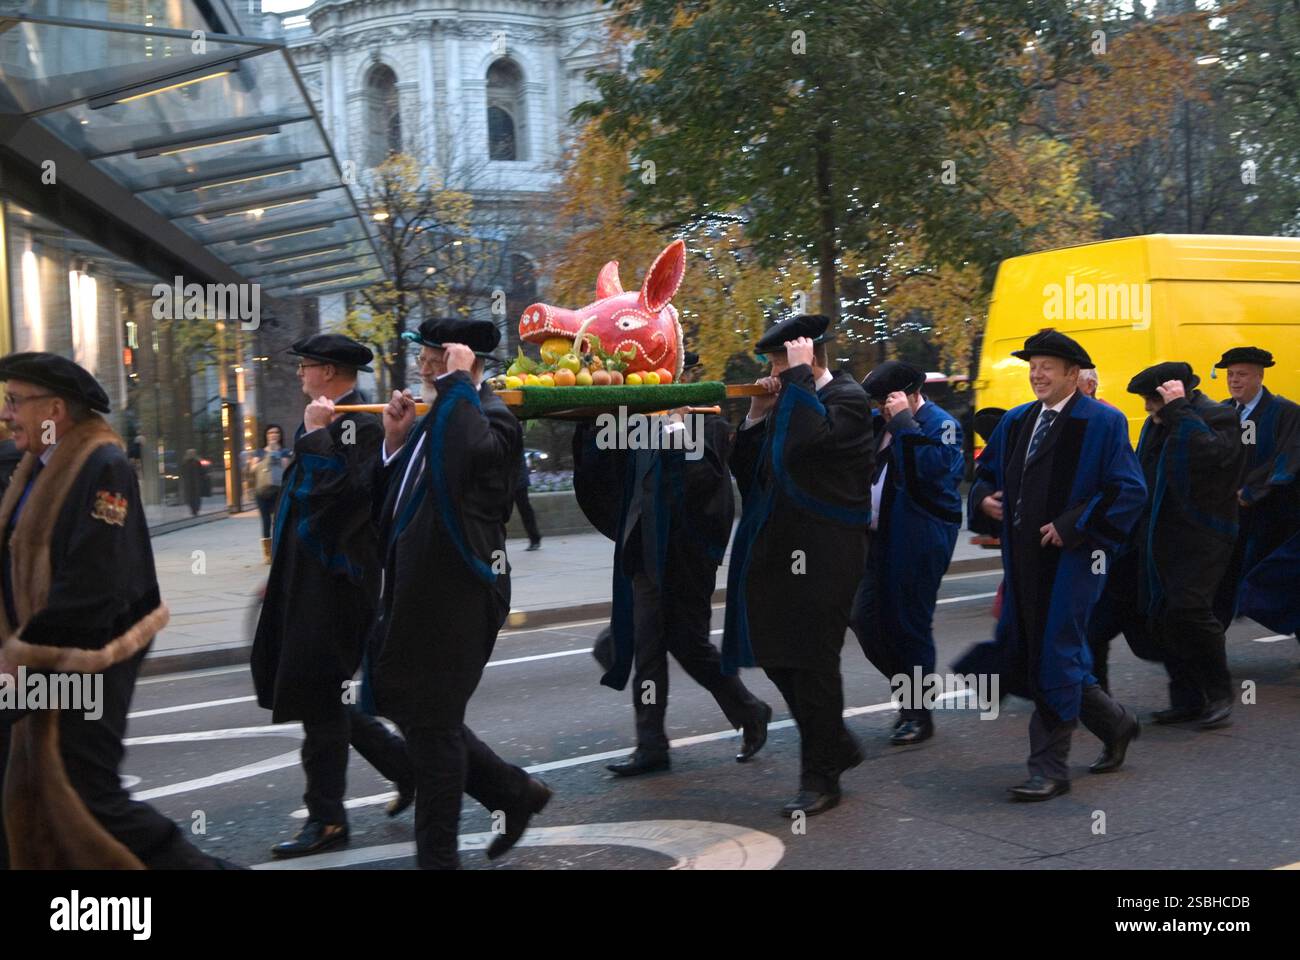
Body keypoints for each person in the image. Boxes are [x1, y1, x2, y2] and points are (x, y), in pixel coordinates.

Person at [0, 352, 227, 868]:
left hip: (91, 656)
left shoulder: (104, 467)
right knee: (30, 780)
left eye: (15, 402)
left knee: (89, 792)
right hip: (42, 656)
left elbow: (95, 577)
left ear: (53, 409)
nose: (7, 413)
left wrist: (22, 654)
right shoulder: (35, 465)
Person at [373, 317, 550, 870]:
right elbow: (404, 499)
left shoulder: (492, 418)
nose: (422, 368)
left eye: (432, 357)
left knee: (434, 727)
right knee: (419, 714)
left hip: (463, 595)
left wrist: (455, 385)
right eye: (425, 359)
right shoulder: (444, 415)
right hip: (420, 593)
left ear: (462, 358)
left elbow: (469, 465)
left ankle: (440, 858)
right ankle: (512, 794)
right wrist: (395, 443)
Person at [957, 330, 1146, 801]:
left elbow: (1128, 490)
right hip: (1022, 560)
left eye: (1047, 367)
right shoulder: (1018, 421)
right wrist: (987, 500)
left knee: (1056, 653)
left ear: (1073, 374)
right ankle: (1116, 723)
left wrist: (1073, 524)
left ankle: (1049, 768)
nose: (1037, 374)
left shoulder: (1102, 422)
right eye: (1033, 366)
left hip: (1074, 561)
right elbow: (985, 476)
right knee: (1037, 649)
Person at [250, 334, 413, 859]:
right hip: (309, 580)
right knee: (326, 698)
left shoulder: (359, 425)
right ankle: (410, 772)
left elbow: (337, 498)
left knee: (319, 696)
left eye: (306, 366)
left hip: (339, 585)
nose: (300, 373)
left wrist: (317, 436)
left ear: (327, 371)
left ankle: (326, 820)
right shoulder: (326, 421)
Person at [573, 349, 771, 777]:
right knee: (646, 645)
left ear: (683, 376)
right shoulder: (635, 423)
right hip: (644, 554)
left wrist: (677, 430)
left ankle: (745, 713)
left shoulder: (709, 423)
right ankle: (656, 743)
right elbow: (602, 471)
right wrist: (592, 421)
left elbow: (704, 485)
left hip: (686, 556)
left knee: (686, 644)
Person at [722, 314, 874, 818]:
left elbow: (804, 446)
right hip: (779, 552)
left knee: (813, 662)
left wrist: (799, 381)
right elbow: (754, 474)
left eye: (777, 365)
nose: (772, 373)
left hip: (828, 553)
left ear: (807, 362)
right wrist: (758, 413)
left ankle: (821, 778)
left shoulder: (849, 400)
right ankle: (836, 742)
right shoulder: (792, 402)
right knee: (776, 652)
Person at [1125, 361, 1245, 728]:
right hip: (1159, 534)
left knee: (1190, 610)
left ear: (1174, 395)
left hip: (1204, 535)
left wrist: (1179, 412)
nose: (1148, 409)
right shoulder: (1158, 423)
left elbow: (1215, 457)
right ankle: (1188, 699)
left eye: (1152, 400)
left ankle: (1219, 694)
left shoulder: (1218, 416)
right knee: (1163, 616)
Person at [850, 360, 964, 745]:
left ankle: (917, 713)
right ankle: (910, 694)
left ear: (912, 395)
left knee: (909, 625)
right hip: (876, 539)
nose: (882, 409)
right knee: (864, 620)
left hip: (920, 539)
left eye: (889, 402)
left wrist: (904, 425)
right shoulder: (880, 423)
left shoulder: (941, 424)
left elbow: (933, 472)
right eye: (879, 403)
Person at [1211, 347, 1300, 629]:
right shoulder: (1221, 412)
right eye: (1230, 375)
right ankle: (1208, 651)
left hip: (1275, 515)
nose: (1234, 380)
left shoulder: (1286, 412)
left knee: (1283, 582)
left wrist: (1251, 491)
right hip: (1232, 516)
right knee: (1221, 582)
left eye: (1242, 375)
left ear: (1260, 377)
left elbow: (1287, 457)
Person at [251, 424, 291, 564]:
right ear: (266, 436)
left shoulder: (285, 451)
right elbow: (253, 468)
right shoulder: (259, 452)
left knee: (277, 521)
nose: (273, 435)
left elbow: (286, 467)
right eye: (270, 433)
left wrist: (277, 453)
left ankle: (277, 550)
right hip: (262, 491)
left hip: (278, 491)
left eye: (276, 433)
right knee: (266, 521)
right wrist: (268, 456)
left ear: (280, 436)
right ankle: (267, 554)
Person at [512, 444, 542, 551]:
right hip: (508, 480)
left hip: (516, 480)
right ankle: (535, 539)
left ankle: (535, 539)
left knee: (525, 510)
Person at [180, 448, 203, 517]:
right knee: (194, 496)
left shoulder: (188, 462)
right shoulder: (192, 462)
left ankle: (194, 510)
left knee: (193, 496)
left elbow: (183, 473)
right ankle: (195, 510)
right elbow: (201, 472)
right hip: (193, 482)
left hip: (192, 482)